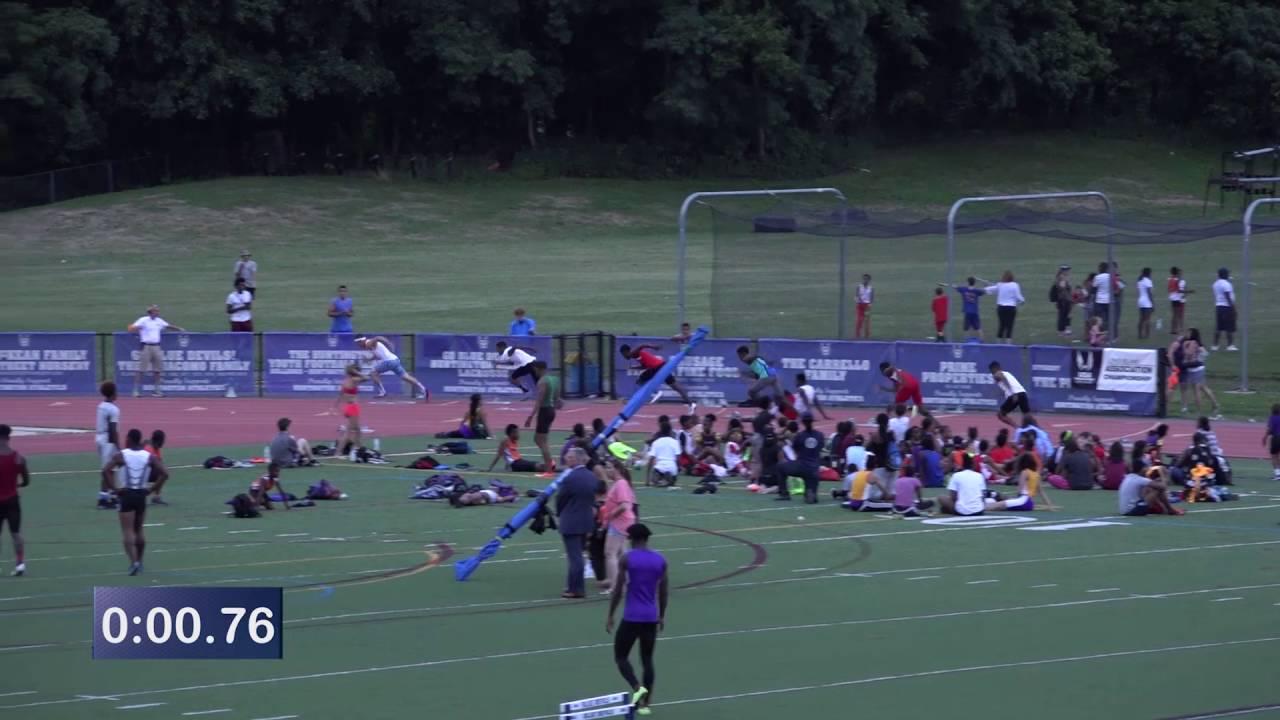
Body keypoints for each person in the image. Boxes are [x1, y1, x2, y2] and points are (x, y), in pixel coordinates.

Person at [605, 523, 668, 717]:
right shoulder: (660, 560)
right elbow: (664, 591)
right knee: (647, 660)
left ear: (632, 539)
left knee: (621, 656)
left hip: (632, 616)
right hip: (650, 616)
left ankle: (636, 686)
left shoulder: (627, 558)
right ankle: (646, 704)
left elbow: (618, 589)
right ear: (647, 539)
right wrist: (662, 615)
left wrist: (610, 614)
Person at [102, 429, 169, 575]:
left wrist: (114, 489)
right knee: (139, 530)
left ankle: (133, 562)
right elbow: (165, 474)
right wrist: (151, 490)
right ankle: (140, 561)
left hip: (126, 494)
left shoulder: (122, 455)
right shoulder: (148, 456)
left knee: (127, 531)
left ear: (129, 439)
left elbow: (105, 471)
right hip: (141, 495)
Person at [557, 447, 600, 599]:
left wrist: (559, 513)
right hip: (586, 520)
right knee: (579, 555)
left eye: (569, 457)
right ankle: (575, 587)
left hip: (570, 520)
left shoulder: (570, 478)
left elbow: (561, 499)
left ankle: (576, 588)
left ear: (576, 459)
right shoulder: (591, 476)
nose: (566, 459)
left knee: (574, 557)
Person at [127, 305, 185, 397]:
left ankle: (157, 391)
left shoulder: (159, 321)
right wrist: (135, 328)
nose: (157, 312)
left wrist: (178, 329)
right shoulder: (143, 320)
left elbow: (168, 326)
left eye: (158, 311)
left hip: (156, 346)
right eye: (155, 311)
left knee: (157, 369)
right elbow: (132, 328)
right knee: (141, 369)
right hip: (146, 346)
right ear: (150, 312)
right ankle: (136, 390)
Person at [619, 344, 695, 412]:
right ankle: (691, 404)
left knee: (640, 380)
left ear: (626, 352)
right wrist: (633, 367)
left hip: (657, 367)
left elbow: (642, 346)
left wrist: (654, 347)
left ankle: (656, 392)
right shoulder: (635, 356)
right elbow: (644, 366)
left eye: (623, 355)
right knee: (676, 387)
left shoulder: (633, 353)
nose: (624, 357)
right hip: (662, 366)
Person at [599, 461, 637, 592]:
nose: (607, 471)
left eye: (609, 468)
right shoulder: (619, 484)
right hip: (620, 522)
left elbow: (624, 505)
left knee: (610, 553)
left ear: (617, 469)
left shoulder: (621, 484)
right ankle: (624, 582)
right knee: (621, 553)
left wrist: (610, 515)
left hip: (620, 522)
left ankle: (616, 586)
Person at [356, 336, 429, 401]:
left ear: (361, 341)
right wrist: (368, 359)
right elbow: (377, 356)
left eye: (358, 343)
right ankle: (423, 389)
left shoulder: (369, 343)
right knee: (405, 377)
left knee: (373, 373)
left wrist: (389, 343)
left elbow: (378, 338)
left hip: (389, 362)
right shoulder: (369, 345)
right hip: (395, 360)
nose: (358, 345)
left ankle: (382, 392)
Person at [0, 425, 30, 576]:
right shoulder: (18, 458)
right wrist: (17, 484)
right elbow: (26, 481)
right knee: (16, 533)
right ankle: (20, 563)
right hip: (12, 500)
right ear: (9, 438)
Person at [525, 361, 562, 477]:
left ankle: (549, 469)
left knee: (542, 441)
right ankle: (549, 461)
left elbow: (539, 401)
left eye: (535, 369)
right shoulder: (555, 379)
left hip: (544, 411)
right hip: (551, 410)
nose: (534, 372)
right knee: (538, 439)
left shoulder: (542, 381)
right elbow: (557, 398)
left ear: (539, 369)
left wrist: (530, 416)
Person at [776, 413, 824, 503]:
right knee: (811, 486)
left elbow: (796, 449)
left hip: (801, 466)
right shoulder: (820, 435)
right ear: (812, 421)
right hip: (814, 469)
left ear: (803, 422)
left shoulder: (800, 436)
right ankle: (810, 493)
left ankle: (784, 494)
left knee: (780, 467)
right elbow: (820, 447)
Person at [1177, 328, 1221, 418]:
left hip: (1195, 369)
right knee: (1204, 388)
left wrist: (1183, 346)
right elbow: (1205, 353)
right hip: (1198, 368)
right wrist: (1200, 358)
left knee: (1196, 390)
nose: (1187, 334)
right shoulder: (1198, 343)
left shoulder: (1192, 342)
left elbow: (1188, 353)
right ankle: (1215, 405)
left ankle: (1199, 411)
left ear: (1193, 334)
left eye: (1189, 332)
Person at [95, 381, 121, 508]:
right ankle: (103, 499)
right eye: (116, 391)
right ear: (112, 393)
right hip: (108, 440)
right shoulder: (114, 409)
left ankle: (112, 496)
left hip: (99, 437)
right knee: (108, 469)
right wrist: (118, 447)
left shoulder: (101, 406)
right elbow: (112, 429)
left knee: (110, 469)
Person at [334, 364, 367, 459]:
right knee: (349, 432)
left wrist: (335, 406)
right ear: (354, 372)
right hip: (353, 407)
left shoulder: (345, 381)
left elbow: (340, 394)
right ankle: (338, 453)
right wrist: (357, 372)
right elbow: (366, 378)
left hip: (348, 407)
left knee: (358, 430)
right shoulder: (354, 380)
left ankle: (358, 448)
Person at [737, 343, 785, 409]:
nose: (739, 358)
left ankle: (763, 406)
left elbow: (752, 357)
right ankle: (775, 408)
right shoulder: (756, 360)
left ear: (743, 353)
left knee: (751, 392)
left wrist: (754, 345)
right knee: (779, 396)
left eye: (739, 355)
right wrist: (747, 374)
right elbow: (757, 374)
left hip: (767, 375)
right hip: (773, 374)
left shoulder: (746, 358)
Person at [985, 270, 1024, 344]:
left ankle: (998, 344)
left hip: (1001, 308)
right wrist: (1022, 300)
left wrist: (988, 286)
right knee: (1010, 326)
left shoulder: (1000, 284)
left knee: (1001, 326)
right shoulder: (1015, 285)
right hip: (1011, 308)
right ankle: (1008, 345)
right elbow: (1018, 297)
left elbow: (990, 290)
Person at [990, 361, 1029, 429]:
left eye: (991, 370)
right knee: (1027, 417)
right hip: (1023, 393)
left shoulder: (997, 373)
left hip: (1014, 395)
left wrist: (1013, 393)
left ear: (994, 369)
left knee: (1000, 414)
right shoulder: (1007, 373)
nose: (991, 373)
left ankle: (1017, 428)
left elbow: (1003, 378)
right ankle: (1035, 431)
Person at [946, 276, 985, 341]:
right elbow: (984, 291)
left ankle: (966, 341)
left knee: (966, 328)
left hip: (967, 311)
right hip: (975, 311)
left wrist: (951, 285)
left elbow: (955, 287)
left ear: (968, 283)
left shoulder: (963, 289)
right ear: (974, 283)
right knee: (978, 328)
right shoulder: (977, 291)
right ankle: (982, 341)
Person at [645, 421, 681, 487]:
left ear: (660, 431)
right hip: (671, 466)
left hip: (660, 466)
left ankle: (658, 478)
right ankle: (670, 478)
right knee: (672, 474)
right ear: (670, 431)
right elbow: (678, 459)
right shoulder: (675, 442)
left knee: (655, 477)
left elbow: (651, 460)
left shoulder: (656, 442)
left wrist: (647, 479)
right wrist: (677, 472)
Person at [1211, 267, 1237, 351]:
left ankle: (1215, 345)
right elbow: (1228, 297)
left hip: (1219, 306)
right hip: (1226, 307)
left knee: (1219, 327)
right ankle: (1230, 345)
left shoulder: (1215, 283)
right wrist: (1233, 309)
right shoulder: (1226, 284)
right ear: (1224, 274)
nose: (1228, 275)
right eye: (1227, 273)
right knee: (1229, 327)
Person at [144, 430, 169, 506]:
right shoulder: (149, 448)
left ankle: (155, 496)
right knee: (162, 473)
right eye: (163, 440)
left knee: (162, 472)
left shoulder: (155, 447)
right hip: (140, 473)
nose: (164, 443)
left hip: (145, 472)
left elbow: (159, 462)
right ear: (159, 441)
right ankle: (150, 493)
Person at [1167, 266, 1189, 336]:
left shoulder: (1182, 281)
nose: (1180, 274)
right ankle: (1176, 329)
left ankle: (1179, 328)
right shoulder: (1176, 280)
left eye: (1181, 273)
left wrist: (1184, 295)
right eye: (1179, 273)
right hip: (1177, 299)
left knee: (1180, 315)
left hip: (1181, 300)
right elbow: (1178, 290)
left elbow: (1184, 289)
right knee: (1176, 315)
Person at [1052, 266, 1073, 338]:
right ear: (1063, 271)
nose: (1068, 271)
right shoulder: (1062, 278)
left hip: (1064, 299)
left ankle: (1063, 331)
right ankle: (1061, 332)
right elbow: (1063, 290)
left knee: (1064, 315)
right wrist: (1069, 298)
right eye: (1067, 270)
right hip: (1063, 300)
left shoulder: (1062, 278)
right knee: (1063, 316)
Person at [1092, 262, 1113, 331]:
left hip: (1099, 300)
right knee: (1108, 318)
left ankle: (1101, 333)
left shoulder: (1097, 277)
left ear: (1100, 268)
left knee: (1099, 319)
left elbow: (1094, 289)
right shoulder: (1111, 276)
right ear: (1107, 269)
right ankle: (1108, 334)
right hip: (1109, 300)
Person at [1136, 267, 1155, 339]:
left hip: (1141, 301)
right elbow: (1149, 293)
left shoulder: (1139, 281)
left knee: (1141, 319)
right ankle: (1147, 335)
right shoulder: (1148, 281)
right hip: (1147, 302)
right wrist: (1153, 303)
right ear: (1149, 273)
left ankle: (1140, 335)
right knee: (1147, 319)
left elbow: (1139, 291)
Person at [855, 273, 873, 339]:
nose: (865, 280)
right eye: (864, 279)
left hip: (867, 306)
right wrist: (858, 299)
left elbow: (871, 298)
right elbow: (856, 296)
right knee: (859, 320)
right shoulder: (859, 287)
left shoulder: (871, 288)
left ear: (869, 280)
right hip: (860, 305)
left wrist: (869, 305)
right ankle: (857, 335)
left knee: (867, 321)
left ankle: (867, 336)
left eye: (867, 279)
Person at [1265, 404, 1280, 481]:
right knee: (1278, 456)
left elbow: (1270, 429)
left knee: (1274, 456)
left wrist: (1265, 437)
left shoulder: (1272, 418)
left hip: (1276, 438)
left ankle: (1277, 474)